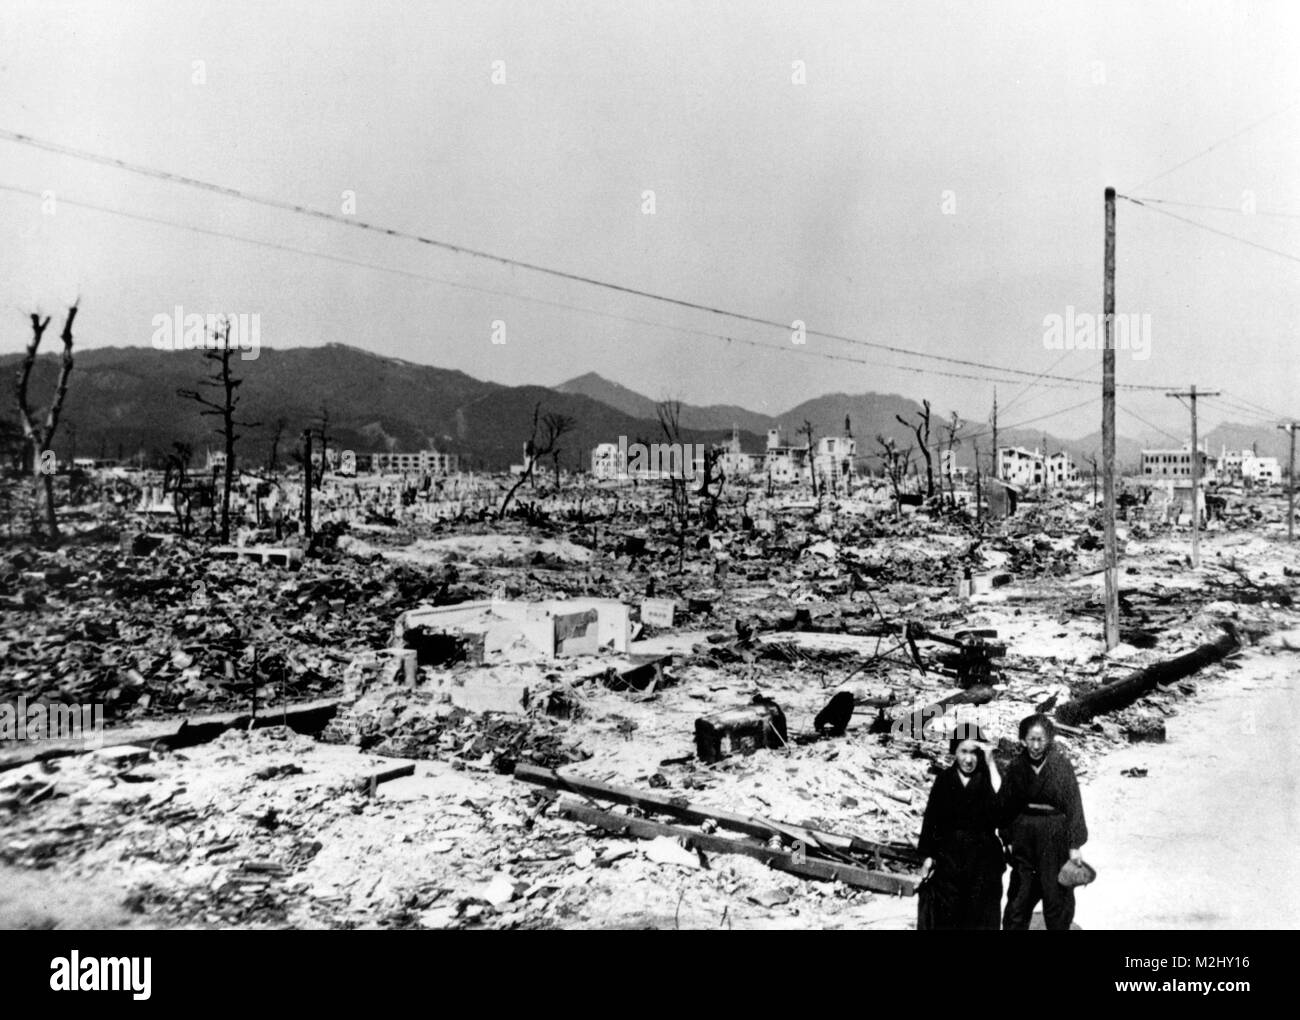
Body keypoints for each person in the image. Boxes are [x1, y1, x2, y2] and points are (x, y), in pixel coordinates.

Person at [998, 713, 1088, 930]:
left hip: (1054, 836)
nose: (1036, 746)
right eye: (1031, 739)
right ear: (1022, 740)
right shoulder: (1017, 767)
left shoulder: (1060, 766)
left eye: (1041, 740)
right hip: (1024, 837)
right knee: (1019, 897)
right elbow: (1005, 805)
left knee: (1056, 896)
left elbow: (1074, 805)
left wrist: (1075, 846)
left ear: (1049, 740)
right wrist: (1007, 837)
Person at [917, 726, 1004, 930]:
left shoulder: (987, 778)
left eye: (974, 752)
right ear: (954, 752)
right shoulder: (945, 780)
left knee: (980, 916)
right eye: (963, 751)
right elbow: (932, 820)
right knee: (947, 915)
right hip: (950, 858)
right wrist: (928, 856)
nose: (968, 759)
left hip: (983, 859)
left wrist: (991, 763)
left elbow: (1002, 807)